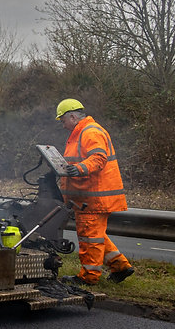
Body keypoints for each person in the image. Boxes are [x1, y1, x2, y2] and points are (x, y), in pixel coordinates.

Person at [56, 98, 135, 285]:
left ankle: (89, 277)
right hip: (88, 197)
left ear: (73, 117)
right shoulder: (82, 132)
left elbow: (99, 158)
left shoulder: (90, 132)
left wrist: (81, 168)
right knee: (96, 236)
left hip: (93, 199)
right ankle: (120, 266)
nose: (62, 124)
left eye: (63, 120)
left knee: (89, 238)